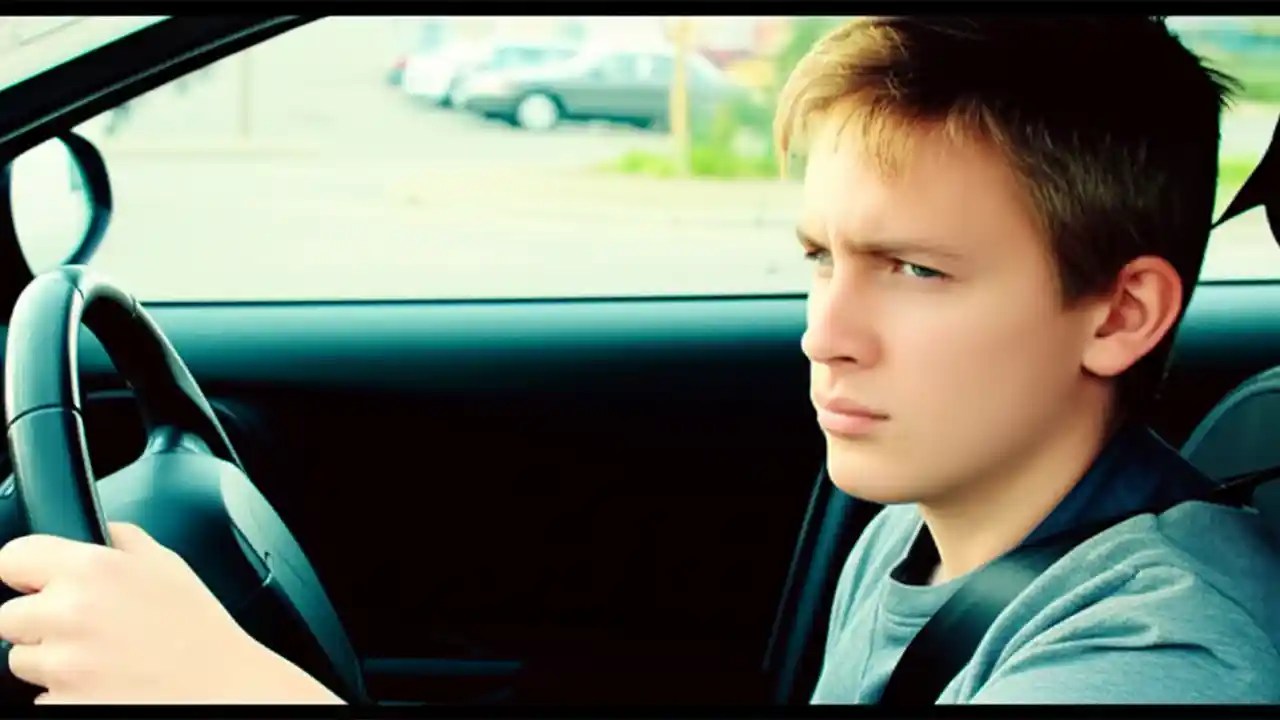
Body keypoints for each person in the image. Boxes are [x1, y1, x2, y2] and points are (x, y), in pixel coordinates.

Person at [0, 15, 1277, 704]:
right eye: (819, 258)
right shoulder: (916, 526)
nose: (824, 331)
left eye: (914, 270)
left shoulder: (1158, 659)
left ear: (1118, 315)